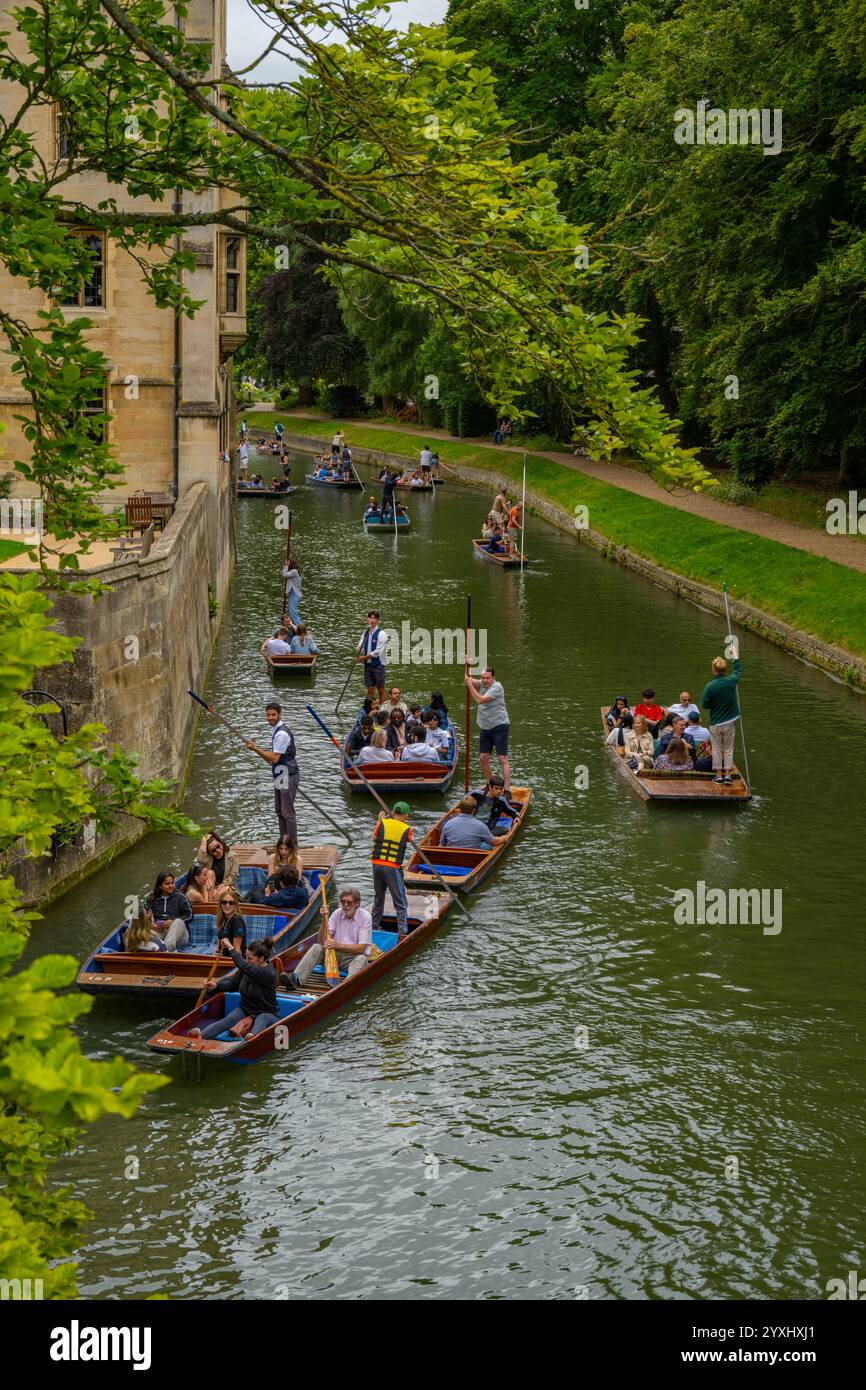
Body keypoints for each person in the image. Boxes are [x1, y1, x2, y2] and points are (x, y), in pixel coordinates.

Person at [190, 939, 279, 1041]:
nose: (246, 960)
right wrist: (216, 985)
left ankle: (251, 1041)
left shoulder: (268, 973)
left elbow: (242, 965)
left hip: (267, 1013)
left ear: (262, 959)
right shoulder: (246, 969)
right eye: (246, 957)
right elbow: (233, 985)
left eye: (250, 958)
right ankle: (200, 1037)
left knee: (263, 1018)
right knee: (229, 1019)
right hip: (246, 1008)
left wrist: (230, 947)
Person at [284, 888, 372, 991]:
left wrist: (338, 945)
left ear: (357, 903)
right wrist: (324, 919)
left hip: (351, 957)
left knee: (362, 959)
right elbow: (321, 941)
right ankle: (296, 979)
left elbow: (361, 949)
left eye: (349, 902)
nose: (345, 905)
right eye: (343, 902)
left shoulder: (365, 917)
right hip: (332, 955)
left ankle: (345, 988)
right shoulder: (337, 914)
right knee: (317, 947)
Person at [245, 702, 299, 839]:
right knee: (279, 811)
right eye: (268, 715)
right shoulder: (274, 730)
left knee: (287, 812)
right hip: (280, 771)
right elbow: (272, 760)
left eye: (273, 715)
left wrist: (255, 749)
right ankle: (283, 842)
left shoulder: (281, 734)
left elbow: (274, 758)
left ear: (280, 715)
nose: (270, 718)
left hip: (287, 774)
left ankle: (292, 845)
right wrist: (256, 750)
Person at [370, 802, 412, 937]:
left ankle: (373, 927)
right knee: (400, 900)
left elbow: (374, 838)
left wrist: (380, 820)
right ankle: (402, 932)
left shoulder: (382, 823)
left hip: (376, 865)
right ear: (406, 816)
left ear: (393, 813)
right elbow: (408, 840)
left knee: (379, 897)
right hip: (392, 867)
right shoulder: (407, 828)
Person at [466, 667, 511, 790]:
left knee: (502, 758)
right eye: (483, 678)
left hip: (499, 725)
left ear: (493, 678)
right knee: (483, 757)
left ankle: (507, 789)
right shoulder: (482, 683)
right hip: (485, 726)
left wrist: (470, 685)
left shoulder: (497, 687)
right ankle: (490, 785)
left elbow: (480, 700)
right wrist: (468, 665)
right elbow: (469, 679)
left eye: (488, 678)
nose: (485, 681)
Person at [701, 655, 743, 785]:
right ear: (725, 669)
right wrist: (735, 656)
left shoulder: (710, 686)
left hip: (716, 723)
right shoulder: (731, 681)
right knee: (728, 749)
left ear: (714, 670)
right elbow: (737, 671)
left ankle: (719, 776)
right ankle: (728, 775)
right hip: (729, 723)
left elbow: (705, 705)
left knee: (717, 749)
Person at [144, 872, 192, 950]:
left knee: (178, 921)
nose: (171, 886)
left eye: (172, 883)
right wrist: (152, 926)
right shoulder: (152, 899)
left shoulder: (181, 897)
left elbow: (190, 916)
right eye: (167, 884)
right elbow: (142, 916)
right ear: (160, 886)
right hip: (159, 931)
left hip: (179, 934)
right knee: (144, 935)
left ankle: (165, 951)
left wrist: (172, 922)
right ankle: (159, 949)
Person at [355, 609, 387, 702]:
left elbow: (377, 652)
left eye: (375, 618)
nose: (372, 620)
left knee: (380, 689)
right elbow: (360, 645)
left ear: (378, 621)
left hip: (378, 665)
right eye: (370, 618)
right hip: (368, 665)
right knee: (370, 690)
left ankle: (382, 709)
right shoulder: (365, 632)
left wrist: (363, 658)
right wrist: (358, 651)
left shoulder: (382, 634)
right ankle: (370, 708)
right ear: (367, 619)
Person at [197, 832, 239, 899]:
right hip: (211, 888)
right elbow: (201, 858)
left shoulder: (233, 856)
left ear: (220, 842)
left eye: (218, 846)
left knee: (220, 892)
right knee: (210, 873)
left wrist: (221, 885)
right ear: (210, 853)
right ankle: (210, 905)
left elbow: (233, 877)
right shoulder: (208, 859)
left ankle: (210, 905)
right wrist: (204, 840)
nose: (218, 850)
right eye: (214, 850)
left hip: (227, 886)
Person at [282, 557, 302, 626]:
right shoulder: (294, 571)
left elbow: (284, 575)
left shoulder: (294, 571)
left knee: (293, 613)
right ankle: (293, 626)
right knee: (290, 612)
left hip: (295, 594)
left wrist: (286, 566)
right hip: (293, 594)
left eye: (288, 563)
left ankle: (301, 628)